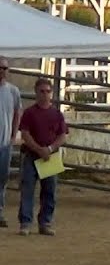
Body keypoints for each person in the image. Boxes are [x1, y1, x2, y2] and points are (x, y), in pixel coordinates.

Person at [17, 76, 68, 236]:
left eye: (47, 91)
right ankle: (25, 223)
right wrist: (39, 149)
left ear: (51, 93)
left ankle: (45, 222)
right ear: (36, 92)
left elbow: (62, 136)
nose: (45, 94)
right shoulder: (29, 113)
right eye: (42, 91)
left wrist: (50, 148)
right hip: (32, 155)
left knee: (49, 191)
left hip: (50, 156)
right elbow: (25, 134)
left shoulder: (57, 114)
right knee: (28, 190)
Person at [0, 58, 22, 227]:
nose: (2, 70)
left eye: (4, 68)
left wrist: (14, 135)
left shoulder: (13, 91)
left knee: (2, 178)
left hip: (5, 142)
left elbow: (17, 113)